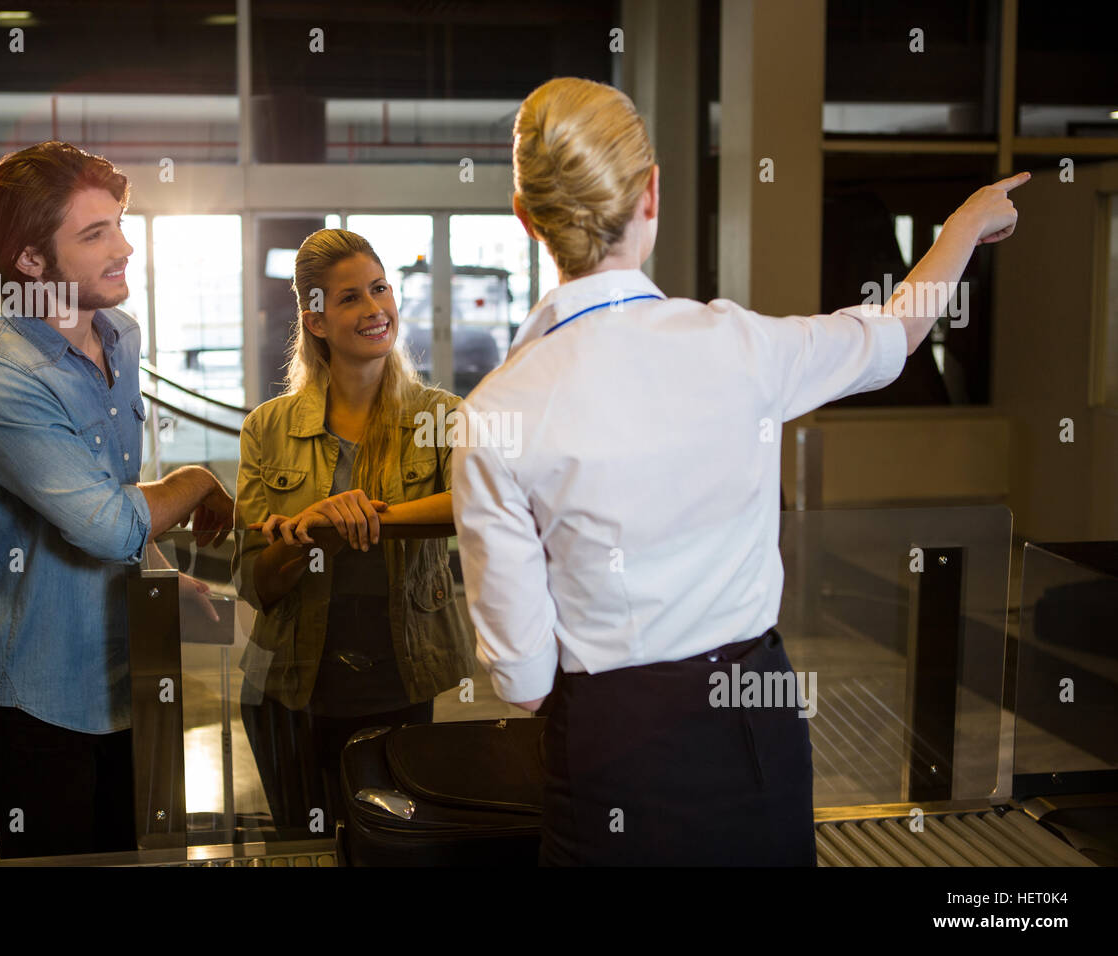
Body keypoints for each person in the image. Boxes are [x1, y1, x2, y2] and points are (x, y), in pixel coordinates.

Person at [450, 77, 1027, 866]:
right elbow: (893, 338)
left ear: (526, 218)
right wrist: (960, 228)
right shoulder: (741, 347)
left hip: (610, 743)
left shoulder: (493, 414)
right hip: (754, 720)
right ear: (652, 193)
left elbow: (522, 678)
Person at [0, 141, 235, 859]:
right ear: (31, 262)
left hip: (128, 678)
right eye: (95, 233)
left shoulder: (120, 335)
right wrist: (196, 480)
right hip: (38, 706)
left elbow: (119, 498)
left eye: (119, 225)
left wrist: (168, 578)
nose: (124, 247)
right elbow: (108, 524)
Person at [232, 228, 475, 835]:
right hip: (287, 691)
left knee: (393, 846)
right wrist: (310, 533)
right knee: (304, 848)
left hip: (402, 677)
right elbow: (255, 580)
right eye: (349, 299)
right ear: (315, 320)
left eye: (380, 289)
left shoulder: (439, 416)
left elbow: (474, 507)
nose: (375, 310)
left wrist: (358, 516)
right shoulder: (269, 427)